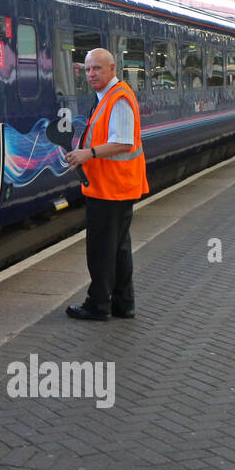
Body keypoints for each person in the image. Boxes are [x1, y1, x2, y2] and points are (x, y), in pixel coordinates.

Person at [64, 48, 150, 321]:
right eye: (87, 69)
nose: (91, 74)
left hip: (111, 187)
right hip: (112, 185)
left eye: (97, 69)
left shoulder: (119, 99)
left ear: (112, 68)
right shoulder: (107, 98)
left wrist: (87, 154)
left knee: (101, 250)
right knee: (118, 248)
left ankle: (98, 304)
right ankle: (123, 304)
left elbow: (123, 141)